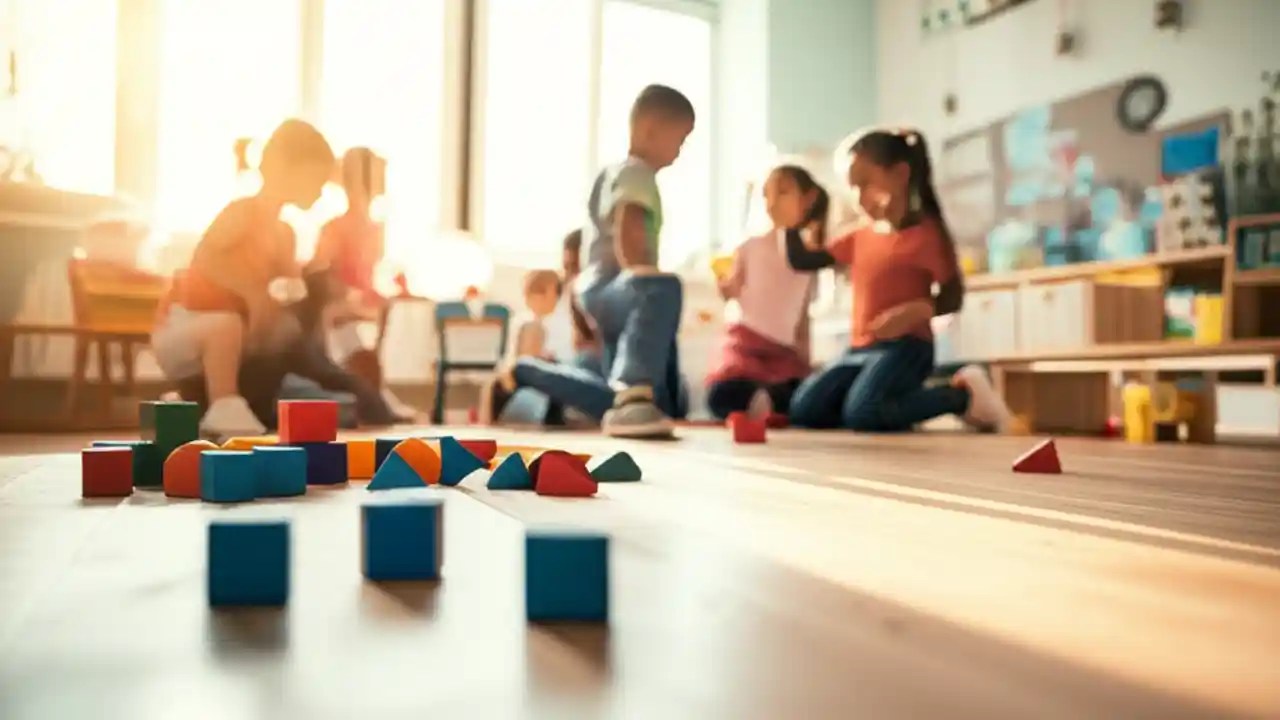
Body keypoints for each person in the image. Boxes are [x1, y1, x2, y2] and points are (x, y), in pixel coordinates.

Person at [489, 84, 695, 438]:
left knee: (635, 399)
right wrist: (646, 277)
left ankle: (531, 372)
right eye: (679, 139)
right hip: (615, 290)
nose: (680, 151)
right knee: (664, 288)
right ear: (650, 131)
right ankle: (632, 396)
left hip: (600, 293)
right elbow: (628, 222)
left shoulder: (613, 172)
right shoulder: (636, 172)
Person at [782, 127, 1012, 432]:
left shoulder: (926, 235)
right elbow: (804, 261)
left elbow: (952, 294)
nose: (858, 198)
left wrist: (920, 310)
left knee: (862, 414)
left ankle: (960, 396)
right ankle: (892, 405)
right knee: (803, 409)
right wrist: (790, 223)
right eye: (853, 187)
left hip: (907, 349)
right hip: (860, 350)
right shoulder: (859, 236)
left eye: (865, 184)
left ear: (900, 175)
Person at [151, 119, 335, 438]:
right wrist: (251, 292)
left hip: (232, 343)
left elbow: (286, 292)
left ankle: (206, 398)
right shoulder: (242, 212)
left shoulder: (285, 233)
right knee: (227, 325)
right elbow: (205, 259)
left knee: (283, 332)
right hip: (185, 325)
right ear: (287, 169)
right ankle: (223, 404)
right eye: (317, 179)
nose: (321, 190)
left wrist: (303, 285)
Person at [706, 164, 827, 421]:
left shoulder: (810, 257)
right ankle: (760, 400)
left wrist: (805, 362)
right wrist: (724, 285)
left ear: (808, 198)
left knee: (806, 395)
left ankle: (767, 400)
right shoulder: (749, 246)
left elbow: (803, 317)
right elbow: (732, 292)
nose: (772, 202)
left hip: (784, 353)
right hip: (745, 344)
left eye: (783, 192)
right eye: (766, 194)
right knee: (721, 392)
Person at [309, 146, 416, 421]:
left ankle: (373, 389)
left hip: (362, 303)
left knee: (382, 311)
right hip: (336, 304)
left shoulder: (377, 229)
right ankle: (362, 390)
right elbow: (318, 276)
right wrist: (346, 295)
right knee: (341, 317)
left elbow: (371, 274)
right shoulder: (333, 228)